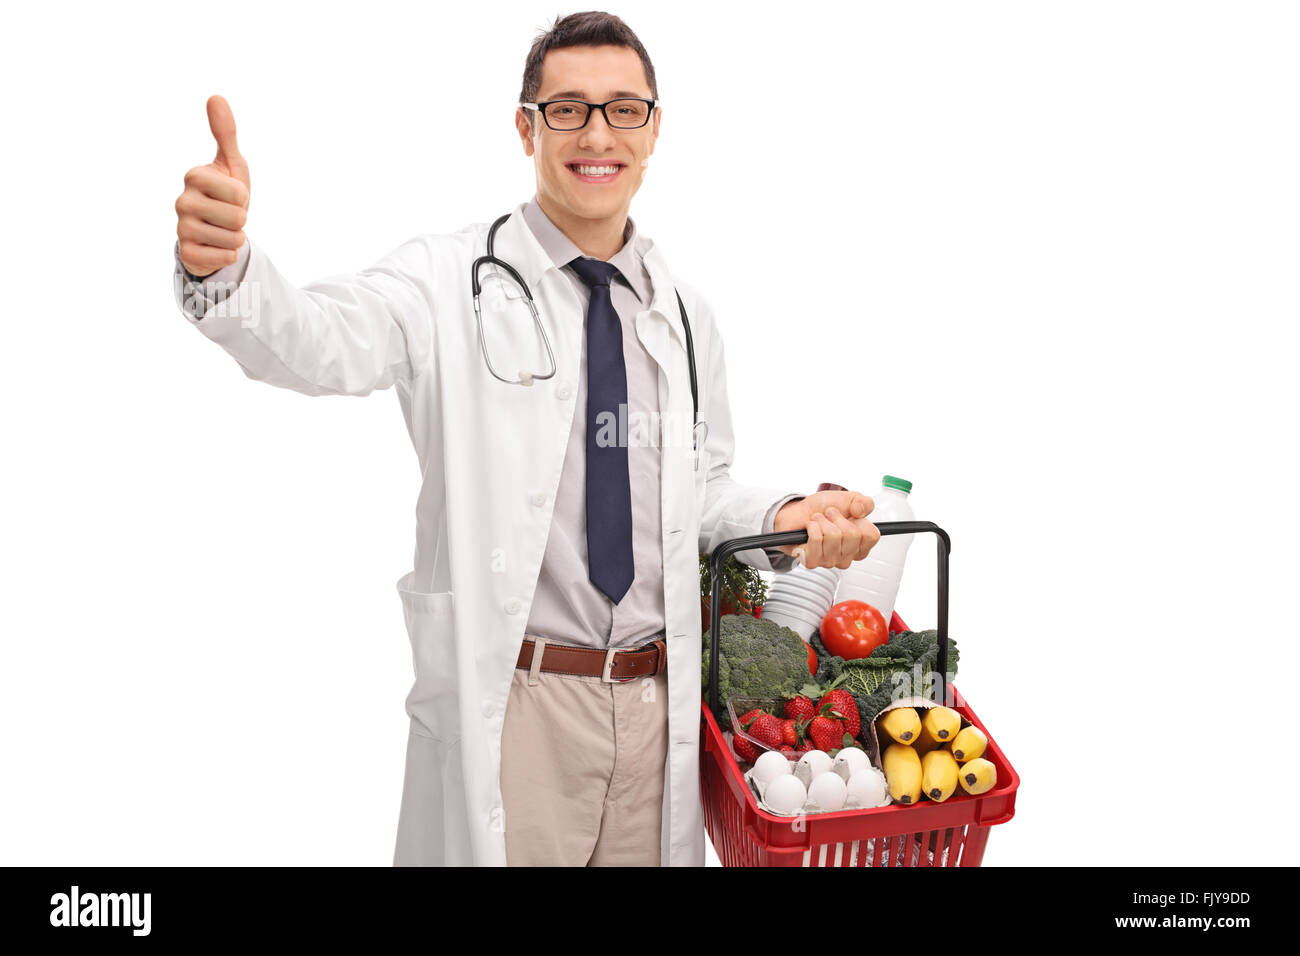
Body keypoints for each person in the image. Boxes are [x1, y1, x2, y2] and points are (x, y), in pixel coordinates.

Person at [171, 10, 882, 867]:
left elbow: (698, 490)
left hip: (659, 714)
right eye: (567, 108)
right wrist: (229, 269)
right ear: (525, 126)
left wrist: (785, 510)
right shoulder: (444, 281)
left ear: (654, 130)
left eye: (624, 109)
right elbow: (320, 339)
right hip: (523, 704)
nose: (597, 134)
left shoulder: (687, 314)